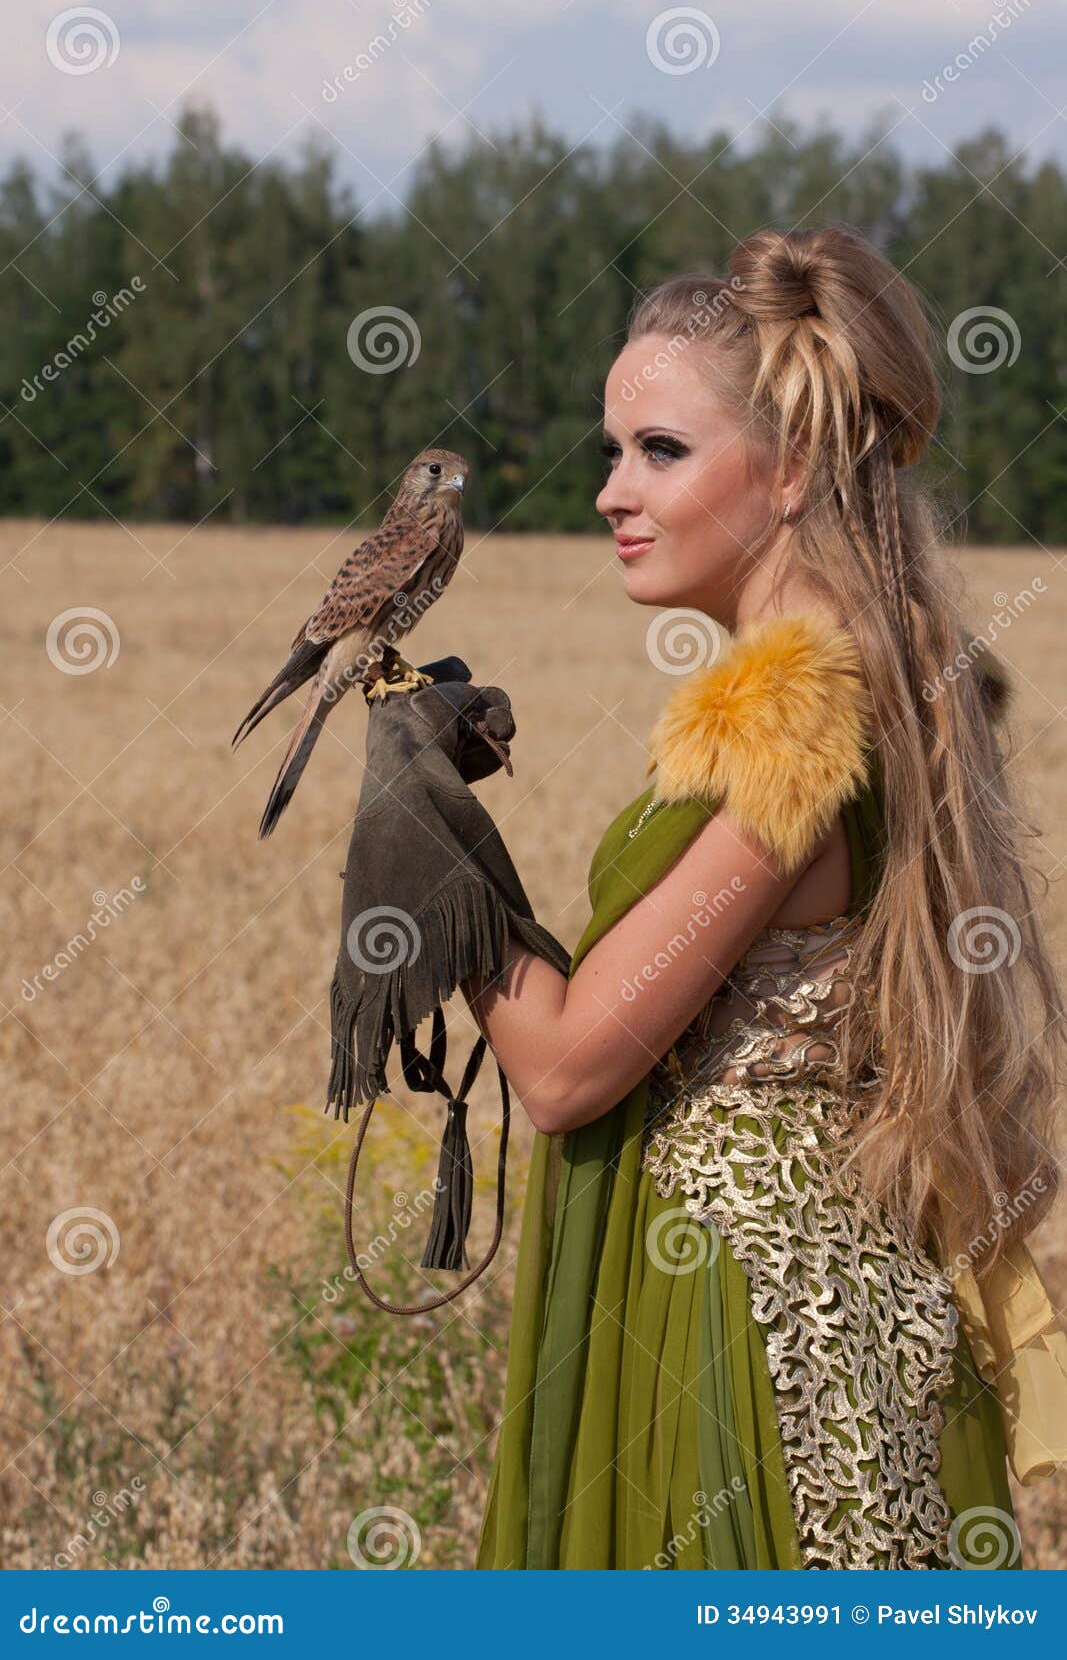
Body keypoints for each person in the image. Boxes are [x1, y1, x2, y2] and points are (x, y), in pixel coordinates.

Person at [460, 225, 1067, 1570]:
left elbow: (564, 1071)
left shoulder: (796, 716)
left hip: (743, 1323)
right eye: (611, 449)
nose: (613, 489)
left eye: (660, 451)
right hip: (830, 1282)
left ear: (790, 466)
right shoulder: (881, 672)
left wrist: (441, 872)